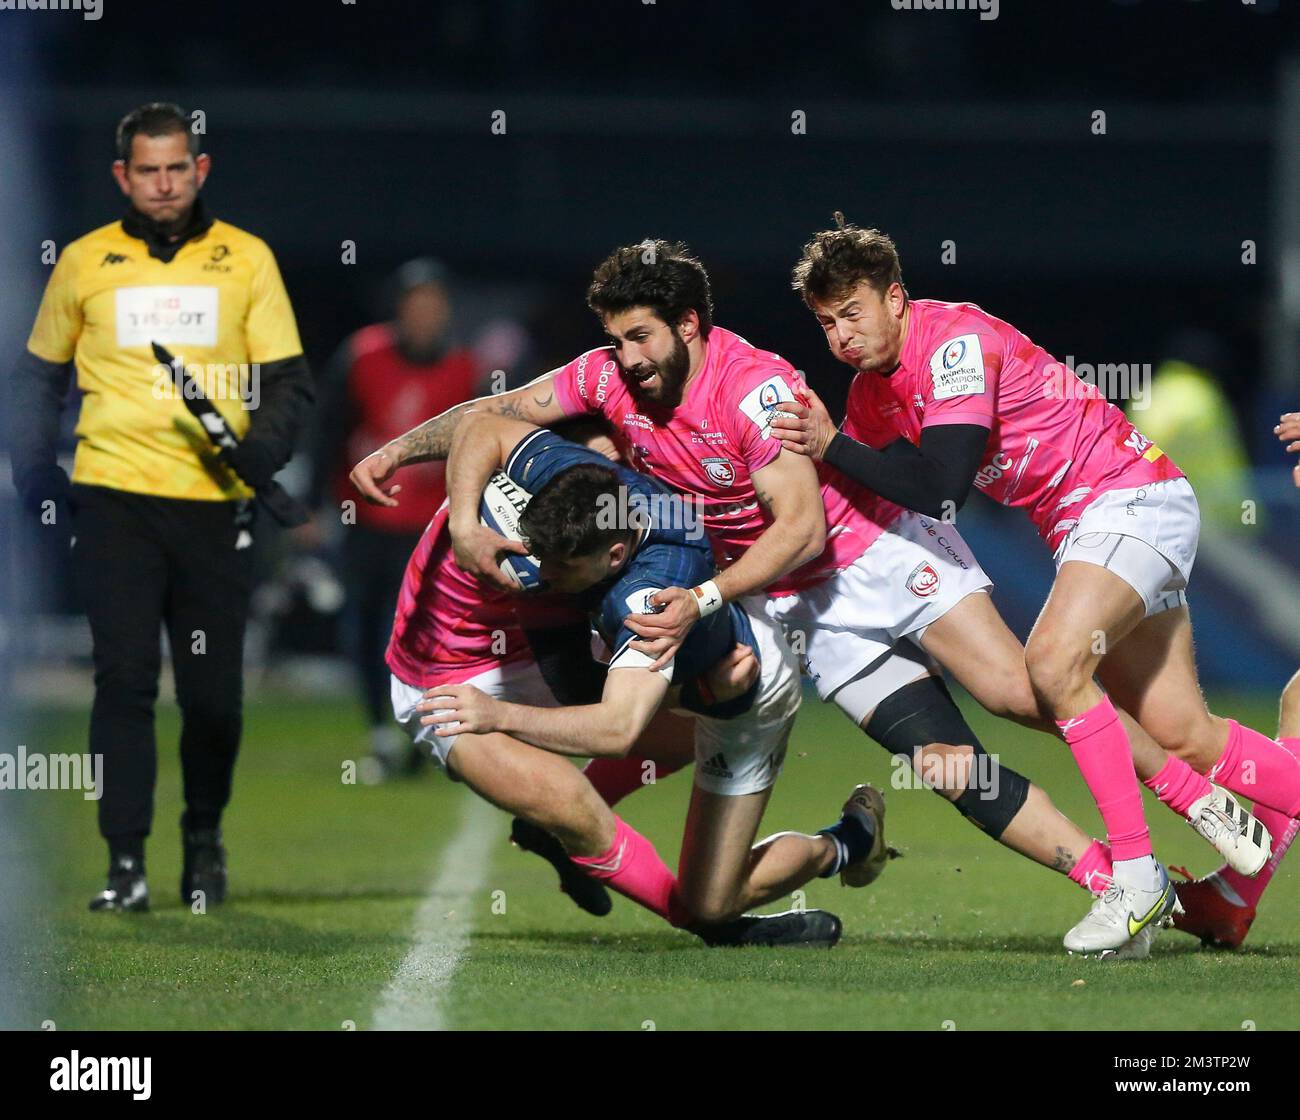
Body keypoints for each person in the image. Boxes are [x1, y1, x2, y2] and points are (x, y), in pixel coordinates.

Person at [349, 241, 1193, 957]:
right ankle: (1113, 882)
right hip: (796, 611)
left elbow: (803, 531)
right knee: (938, 768)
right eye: (614, 341)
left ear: (688, 326)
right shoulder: (605, 409)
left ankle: (1186, 811)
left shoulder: (742, 413)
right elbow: (494, 416)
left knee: (1026, 690)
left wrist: (702, 599)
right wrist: (401, 458)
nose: (625, 360)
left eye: (640, 337)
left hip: (867, 554)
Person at [771, 217, 1297, 953]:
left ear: (895, 297)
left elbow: (943, 486)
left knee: (1052, 667)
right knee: (1186, 735)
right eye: (825, 323)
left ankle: (1138, 879)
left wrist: (833, 445)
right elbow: (866, 482)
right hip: (1095, 526)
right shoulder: (870, 396)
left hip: (1129, 498)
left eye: (851, 313)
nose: (840, 337)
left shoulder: (953, 341)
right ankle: (1214, 846)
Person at [413, 413, 888, 940]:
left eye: (560, 569)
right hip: (695, 665)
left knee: (709, 902)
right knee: (629, 725)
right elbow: (484, 426)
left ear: (615, 556)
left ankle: (849, 842)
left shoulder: (646, 604)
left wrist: (495, 714)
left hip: (749, 693)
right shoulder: (588, 487)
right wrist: (462, 522)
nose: (542, 576)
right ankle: (559, 828)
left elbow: (617, 731)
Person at [7, 102, 313, 911]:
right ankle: (125, 863)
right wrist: (37, 475)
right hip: (114, 503)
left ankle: (204, 835)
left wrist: (263, 450)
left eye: (178, 167)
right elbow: (37, 378)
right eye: (148, 169)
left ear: (200, 170)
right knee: (125, 683)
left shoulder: (245, 259)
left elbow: (288, 382)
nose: (164, 182)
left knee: (213, 696)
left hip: (214, 508)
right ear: (123, 176)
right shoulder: (83, 261)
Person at [308, 258, 483, 780]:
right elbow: (328, 429)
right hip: (364, 517)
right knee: (366, 626)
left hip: (433, 524)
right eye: (415, 303)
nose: (424, 314)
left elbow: (484, 444)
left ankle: (428, 729)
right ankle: (380, 728)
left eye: (434, 304)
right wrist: (313, 503)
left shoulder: (466, 369)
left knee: (430, 631)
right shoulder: (363, 356)